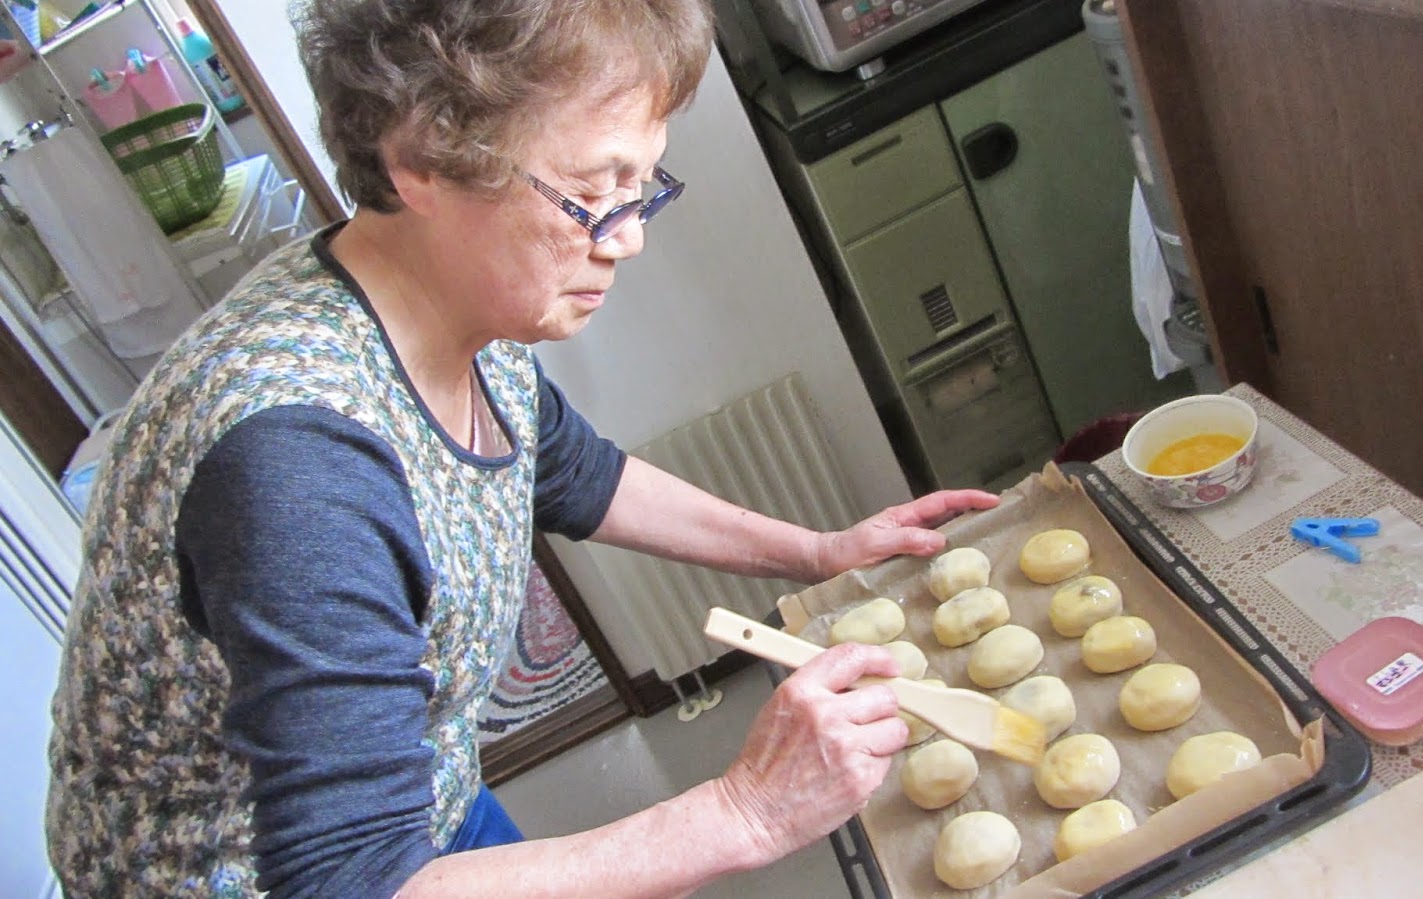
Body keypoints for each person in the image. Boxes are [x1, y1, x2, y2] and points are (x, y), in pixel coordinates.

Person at [44, 1, 1000, 896]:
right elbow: (353, 880)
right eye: (590, 193)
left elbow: (576, 473)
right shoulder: (294, 473)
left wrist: (818, 553)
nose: (626, 239)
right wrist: (743, 809)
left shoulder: (451, 297)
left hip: (424, 799)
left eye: (641, 186)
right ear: (421, 158)